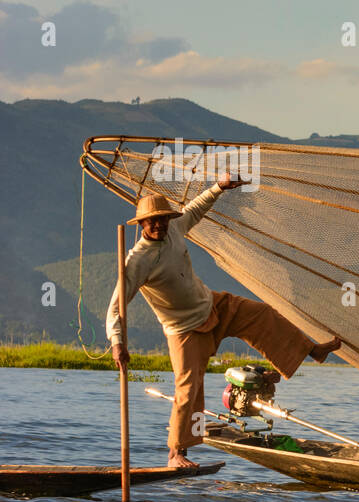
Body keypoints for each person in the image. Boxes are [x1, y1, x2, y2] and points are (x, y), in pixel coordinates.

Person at [109, 174, 341, 467]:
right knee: (189, 388)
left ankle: (311, 350)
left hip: (213, 305)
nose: (159, 225)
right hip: (184, 330)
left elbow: (194, 210)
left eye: (163, 219)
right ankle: (177, 452)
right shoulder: (136, 261)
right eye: (153, 221)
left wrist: (219, 187)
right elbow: (115, 309)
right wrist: (118, 343)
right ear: (142, 224)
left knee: (263, 315)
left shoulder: (175, 229)